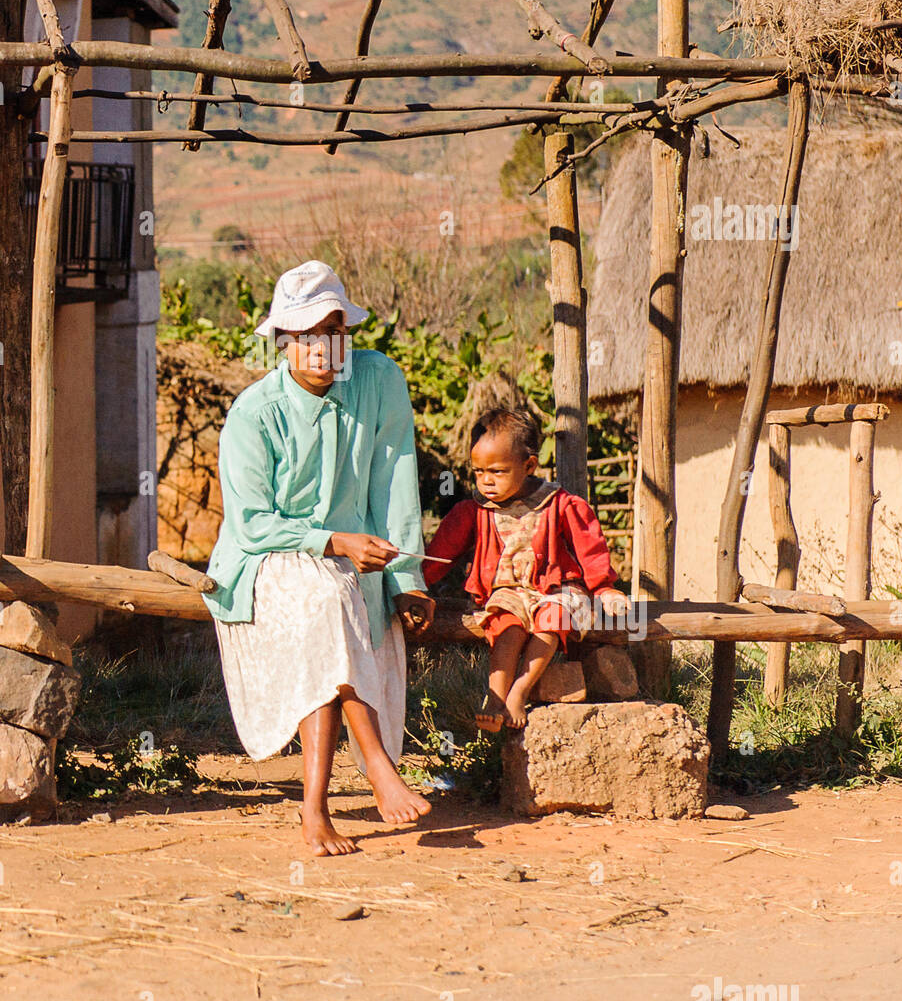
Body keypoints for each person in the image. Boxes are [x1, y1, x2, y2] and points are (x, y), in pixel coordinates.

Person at [203, 261, 436, 857]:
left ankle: (315, 811)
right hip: (267, 560)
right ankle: (378, 765)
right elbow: (252, 523)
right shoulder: (255, 413)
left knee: (331, 604)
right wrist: (334, 542)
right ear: (284, 341)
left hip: (353, 566)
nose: (322, 345)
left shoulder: (380, 380)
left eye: (332, 329)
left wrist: (406, 577)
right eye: (306, 333)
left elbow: (395, 485)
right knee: (325, 599)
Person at [422, 407, 630, 731]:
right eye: (478, 472)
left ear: (529, 465)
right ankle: (495, 695)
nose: (486, 480)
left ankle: (520, 690)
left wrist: (604, 588)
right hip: (508, 590)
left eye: (498, 471)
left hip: (556, 588)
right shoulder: (474, 510)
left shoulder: (559, 503)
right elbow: (441, 554)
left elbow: (590, 546)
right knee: (506, 626)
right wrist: (414, 582)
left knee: (554, 618)